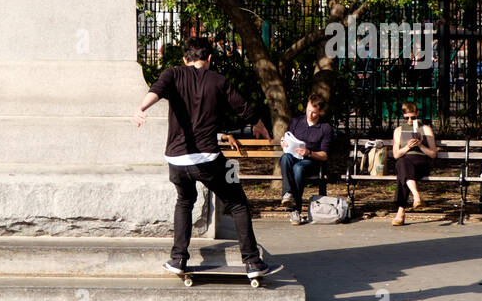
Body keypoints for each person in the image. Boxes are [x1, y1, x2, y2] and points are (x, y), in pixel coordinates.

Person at [133, 37, 278, 278]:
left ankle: (178, 258)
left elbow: (155, 91)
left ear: (184, 59)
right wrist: (259, 125)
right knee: (238, 202)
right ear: (209, 59)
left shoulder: (172, 74)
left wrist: (140, 108)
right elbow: (242, 107)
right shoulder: (218, 81)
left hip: (177, 161)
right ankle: (252, 262)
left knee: (184, 202)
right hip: (208, 160)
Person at [280, 92, 334, 224]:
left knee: (298, 168)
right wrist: (283, 142)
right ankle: (288, 194)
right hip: (293, 156)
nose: (310, 114)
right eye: (308, 110)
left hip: (311, 161)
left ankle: (295, 209)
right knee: (285, 157)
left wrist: (309, 153)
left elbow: (324, 155)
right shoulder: (296, 121)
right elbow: (286, 137)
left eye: (314, 112)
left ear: (320, 112)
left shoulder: (325, 128)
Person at [391, 99, 437, 226]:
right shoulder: (398, 130)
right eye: (406, 118)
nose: (410, 121)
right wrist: (407, 147)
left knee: (402, 169)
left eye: (413, 117)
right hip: (405, 161)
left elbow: (433, 154)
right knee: (402, 163)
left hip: (421, 162)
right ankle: (416, 196)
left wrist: (421, 145)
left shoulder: (426, 129)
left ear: (417, 114)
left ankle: (401, 211)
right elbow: (396, 154)